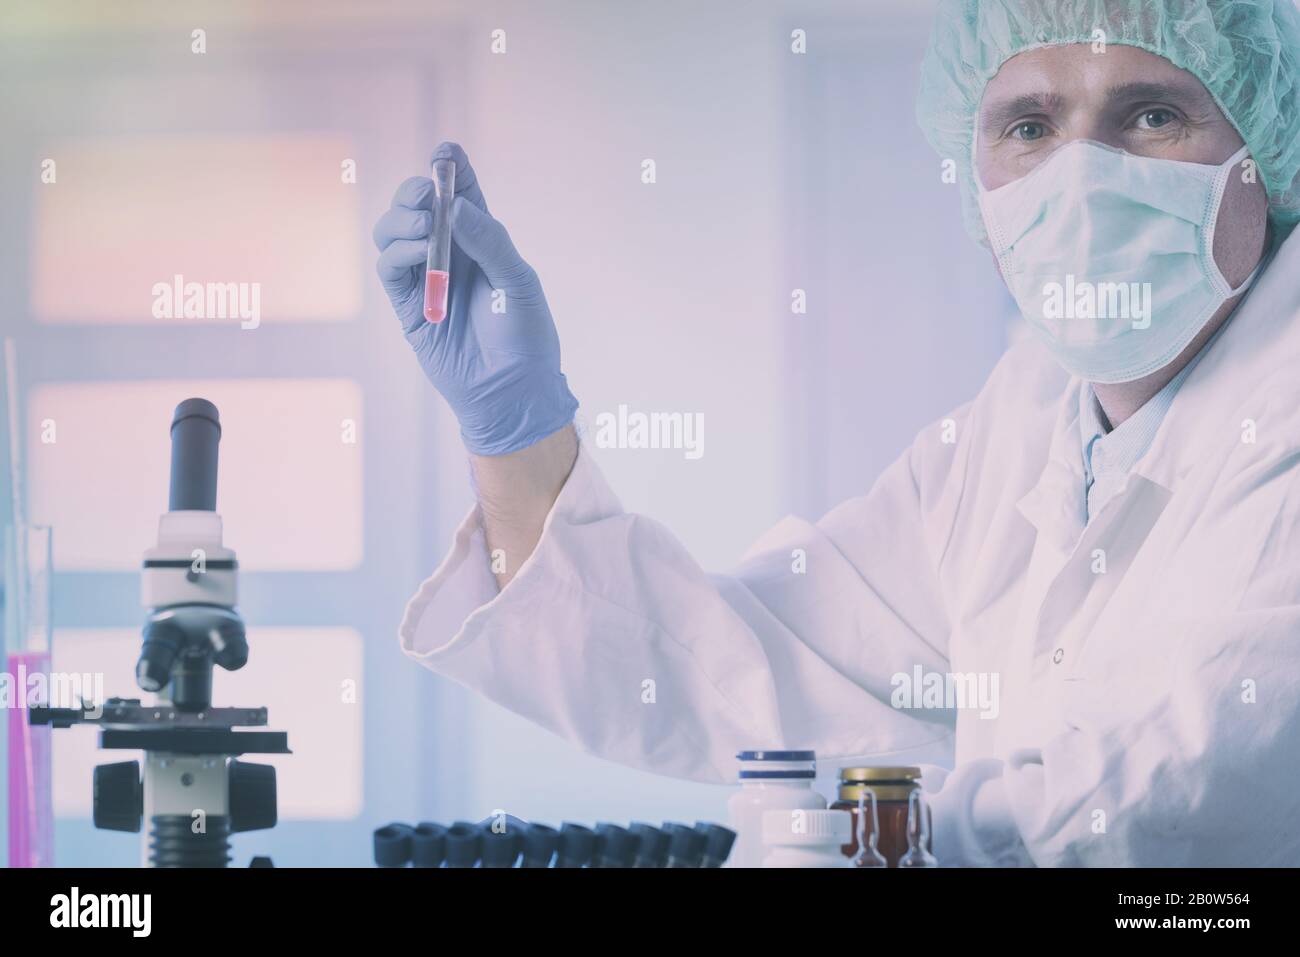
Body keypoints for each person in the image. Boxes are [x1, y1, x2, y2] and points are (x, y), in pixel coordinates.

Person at [372, 0, 1300, 866]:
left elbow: (1200, 779)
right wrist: (515, 432)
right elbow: (737, 669)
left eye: (1149, 117)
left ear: (1269, 146)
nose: (1083, 179)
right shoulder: (1022, 418)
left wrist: (869, 834)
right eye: (1029, 128)